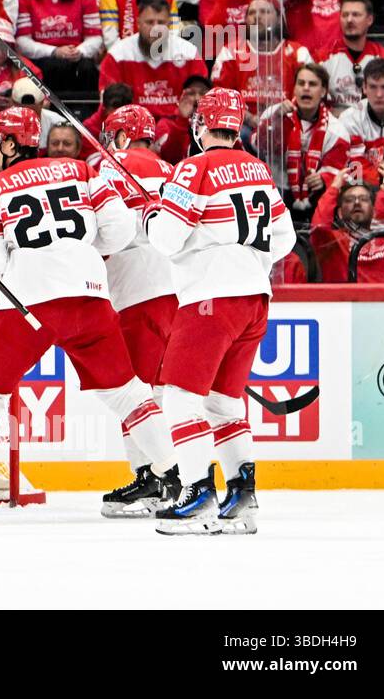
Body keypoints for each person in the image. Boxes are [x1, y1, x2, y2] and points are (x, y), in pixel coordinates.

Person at [0, 105, 182, 516]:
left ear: (14, 144)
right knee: (129, 393)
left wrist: (3, 304)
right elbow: (119, 230)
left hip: (27, 301)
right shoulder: (80, 171)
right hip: (90, 296)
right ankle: (171, 475)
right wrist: (78, 257)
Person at [144, 88, 297, 534]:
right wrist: (236, 246)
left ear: (200, 125)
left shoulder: (192, 167)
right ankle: (243, 497)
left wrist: (155, 215)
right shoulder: (257, 168)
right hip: (254, 299)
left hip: (211, 298)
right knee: (224, 401)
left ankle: (198, 495)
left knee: (179, 397)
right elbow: (285, 239)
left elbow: (167, 240)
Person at [94, 102, 179, 516]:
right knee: (162, 391)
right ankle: (174, 475)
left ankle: (154, 479)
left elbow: (104, 231)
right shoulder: (172, 170)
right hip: (177, 288)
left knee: (134, 393)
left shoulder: (112, 165)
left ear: (121, 137)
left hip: (135, 290)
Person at [255, 62, 350, 216]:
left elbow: (337, 169)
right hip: (273, 192)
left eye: (312, 84)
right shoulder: (274, 113)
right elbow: (258, 147)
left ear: (324, 91)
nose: (306, 88)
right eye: (301, 83)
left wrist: (324, 178)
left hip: (313, 197)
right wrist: (277, 121)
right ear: (294, 89)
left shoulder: (337, 131)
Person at [99, 0, 206, 120]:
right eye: (149, 22)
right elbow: (110, 106)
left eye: (161, 22)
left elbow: (202, 101)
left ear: (169, 24)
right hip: (133, 128)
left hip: (178, 127)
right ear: (138, 23)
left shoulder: (189, 53)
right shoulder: (118, 55)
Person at [213, 0, 311, 117]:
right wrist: (248, 118)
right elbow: (219, 96)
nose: (257, 17)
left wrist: (287, 111)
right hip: (241, 126)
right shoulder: (230, 52)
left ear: (279, 19)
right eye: (252, 13)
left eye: (264, 12)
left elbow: (309, 93)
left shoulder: (298, 53)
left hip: (286, 122)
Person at [309, 163, 384, 281]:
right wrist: (334, 187)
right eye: (349, 200)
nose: (357, 202)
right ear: (340, 212)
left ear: (373, 211)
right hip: (344, 299)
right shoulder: (332, 242)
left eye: (364, 199)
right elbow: (318, 227)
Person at [320, 0, 384, 112]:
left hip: (374, 126)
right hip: (335, 125)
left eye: (356, 15)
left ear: (369, 20)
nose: (349, 20)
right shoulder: (323, 57)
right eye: (345, 15)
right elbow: (314, 102)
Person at [338, 56, 384, 180]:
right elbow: (353, 172)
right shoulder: (349, 119)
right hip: (362, 190)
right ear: (364, 87)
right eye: (373, 87)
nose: (379, 94)